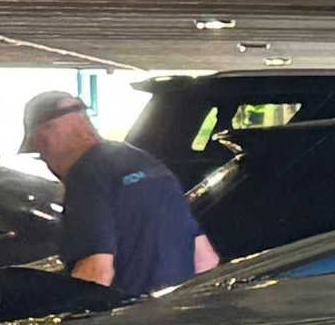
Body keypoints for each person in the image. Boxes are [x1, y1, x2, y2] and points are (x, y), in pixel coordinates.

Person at [19, 90, 217, 297]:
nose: (50, 165)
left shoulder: (86, 176)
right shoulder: (144, 161)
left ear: (46, 138)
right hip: (179, 315)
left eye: (42, 155)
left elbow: (96, 272)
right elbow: (205, 260)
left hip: (131, 320)